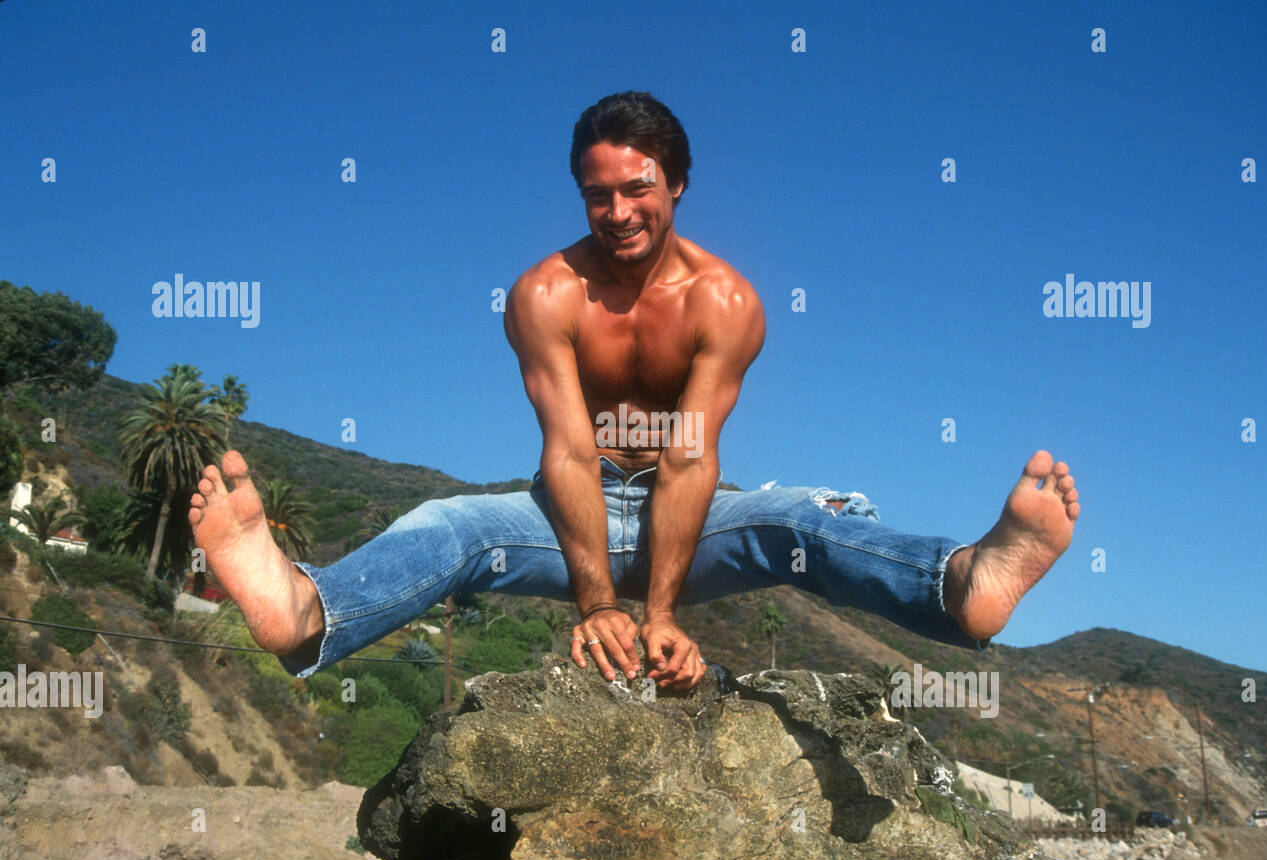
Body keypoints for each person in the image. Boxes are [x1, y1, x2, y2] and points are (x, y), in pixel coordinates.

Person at [188, 91, 1080, 694]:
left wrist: (657, 614)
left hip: (683, 515)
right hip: (564, 511)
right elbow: (569, 448)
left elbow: (690, 451)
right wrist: (595, 603)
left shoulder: (726, 304)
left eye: (637, 188)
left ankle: (960, 581)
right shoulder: (546, 295)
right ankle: (307, 611)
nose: (617, 212)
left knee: (803, 518)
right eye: (596, 194)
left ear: (677, 182)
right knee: (445, 526)